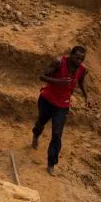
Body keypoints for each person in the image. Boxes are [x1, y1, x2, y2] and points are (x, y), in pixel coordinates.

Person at [31, 46, 89, 175]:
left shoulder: (82, 69)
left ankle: (51, 163)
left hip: (62, 104)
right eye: (77, 57)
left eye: (82, 58)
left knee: (57, 134)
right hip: (47, 99)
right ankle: (36, 134)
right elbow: (42, 76)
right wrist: (58, 81)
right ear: (71, 55)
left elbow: (81, 82)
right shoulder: (59, 62)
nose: (79, 61)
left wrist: (87, 97)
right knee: (41, 121)